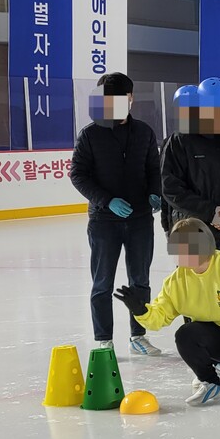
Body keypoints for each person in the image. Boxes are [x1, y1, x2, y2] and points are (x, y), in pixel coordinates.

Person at [114, 218, 220, 405]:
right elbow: (159, 317)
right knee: (186, 334)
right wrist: (140, 311)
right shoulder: (177, 281)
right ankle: (210, 383)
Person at [69, 72, 162, 355]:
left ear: (130, 99)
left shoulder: (144, 132)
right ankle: (103, 340)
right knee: (102, 283)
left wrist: (154, 192)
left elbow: (152, 170)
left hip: (139, 220)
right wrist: (106, 201)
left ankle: (138, 335)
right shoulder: (90, 134)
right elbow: (78, 175)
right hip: (103, 222)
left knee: (140, 281)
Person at [162, 77, 220, 256]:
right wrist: (210, 212)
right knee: (194, 283)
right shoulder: (180, 141)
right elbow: (171, 188)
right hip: (194, 230)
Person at [159, 84, 199, 237]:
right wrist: (166, 223)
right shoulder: (171, 142)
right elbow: (166, 186)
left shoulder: (215, 143)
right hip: (179, 220)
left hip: (204, 221)